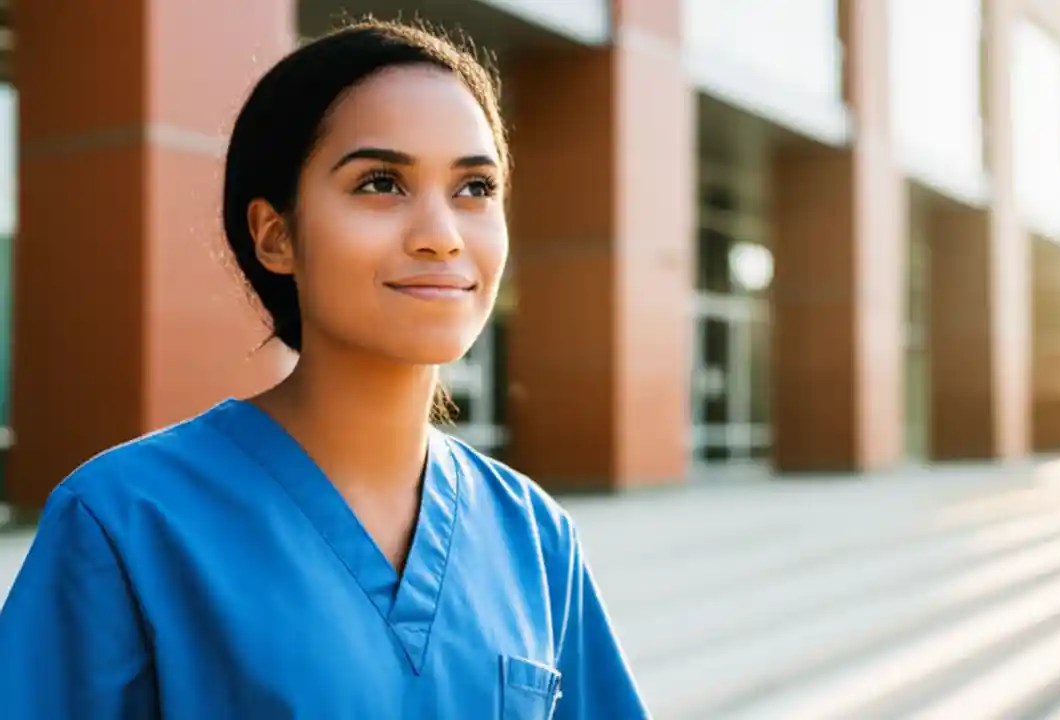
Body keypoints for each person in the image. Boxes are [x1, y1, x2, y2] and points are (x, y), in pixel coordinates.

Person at [0, 20, 647, 719]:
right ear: (275, 236)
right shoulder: (125, 524)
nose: (441, 235)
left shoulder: (535, 538)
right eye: (381, 183)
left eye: (475, 188)